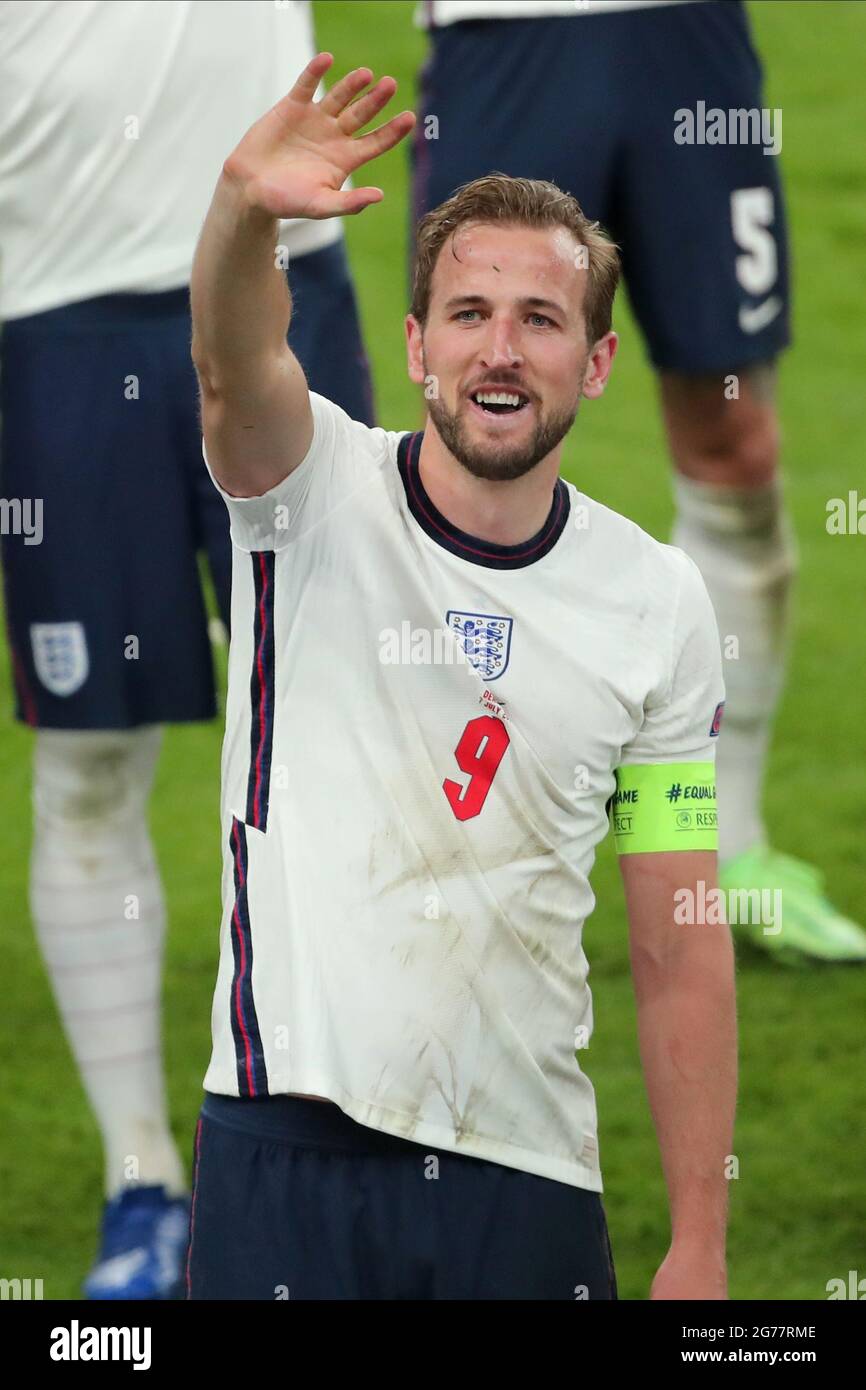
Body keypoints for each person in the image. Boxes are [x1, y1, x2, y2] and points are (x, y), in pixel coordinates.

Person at [186, 53, 735, 1300]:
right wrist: (242, 207)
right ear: (416, 343)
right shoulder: (307, 490)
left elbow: (678, 941)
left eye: (540, 319)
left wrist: (697, 1236)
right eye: (470, 313)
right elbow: (231, 367)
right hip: (286, 1142)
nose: (502, 347)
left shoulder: (657, 601)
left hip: (526, 1166)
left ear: (593, 363)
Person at [0, 0, 374, 1299]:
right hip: (53, 320)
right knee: (92, 764)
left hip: (284, 279)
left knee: (344, 736)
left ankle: (355, 1134)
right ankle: (143, 1183)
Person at [410, 0, 866, 963]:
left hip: (684, 39)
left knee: (736, 441)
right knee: (481, 442)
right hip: (505, 38)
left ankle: (728, 853)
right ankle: (467, 846)